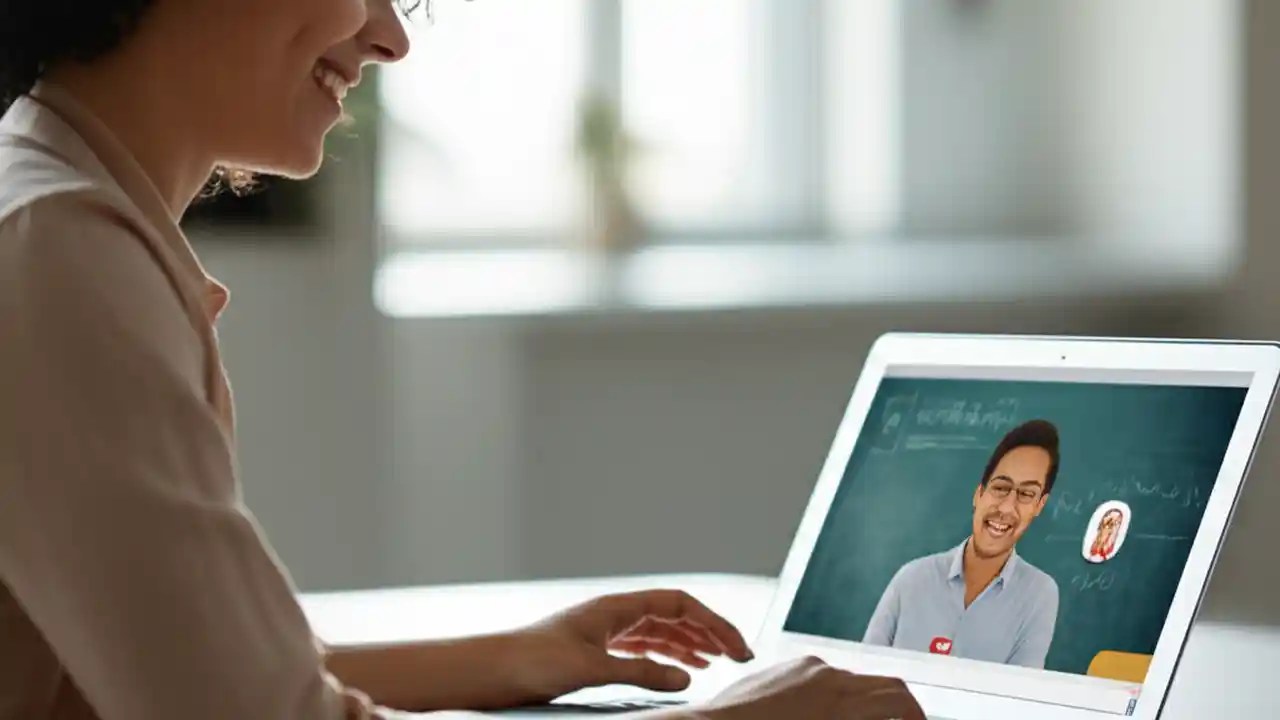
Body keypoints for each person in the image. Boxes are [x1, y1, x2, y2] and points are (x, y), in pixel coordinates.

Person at [0, 2, 926, 719]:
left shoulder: (53, 208)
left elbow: (189, 673)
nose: (390, 38)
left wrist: (528, 654)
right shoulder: (62, 253)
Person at [863, 420, 1062, 669]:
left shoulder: (1039, 594)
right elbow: (862, 674)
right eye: (1001, 488)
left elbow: (1018, 696)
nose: (1006, 508)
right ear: (979, 494)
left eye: (1026, 494)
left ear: (1039, 506)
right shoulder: (911, 578)